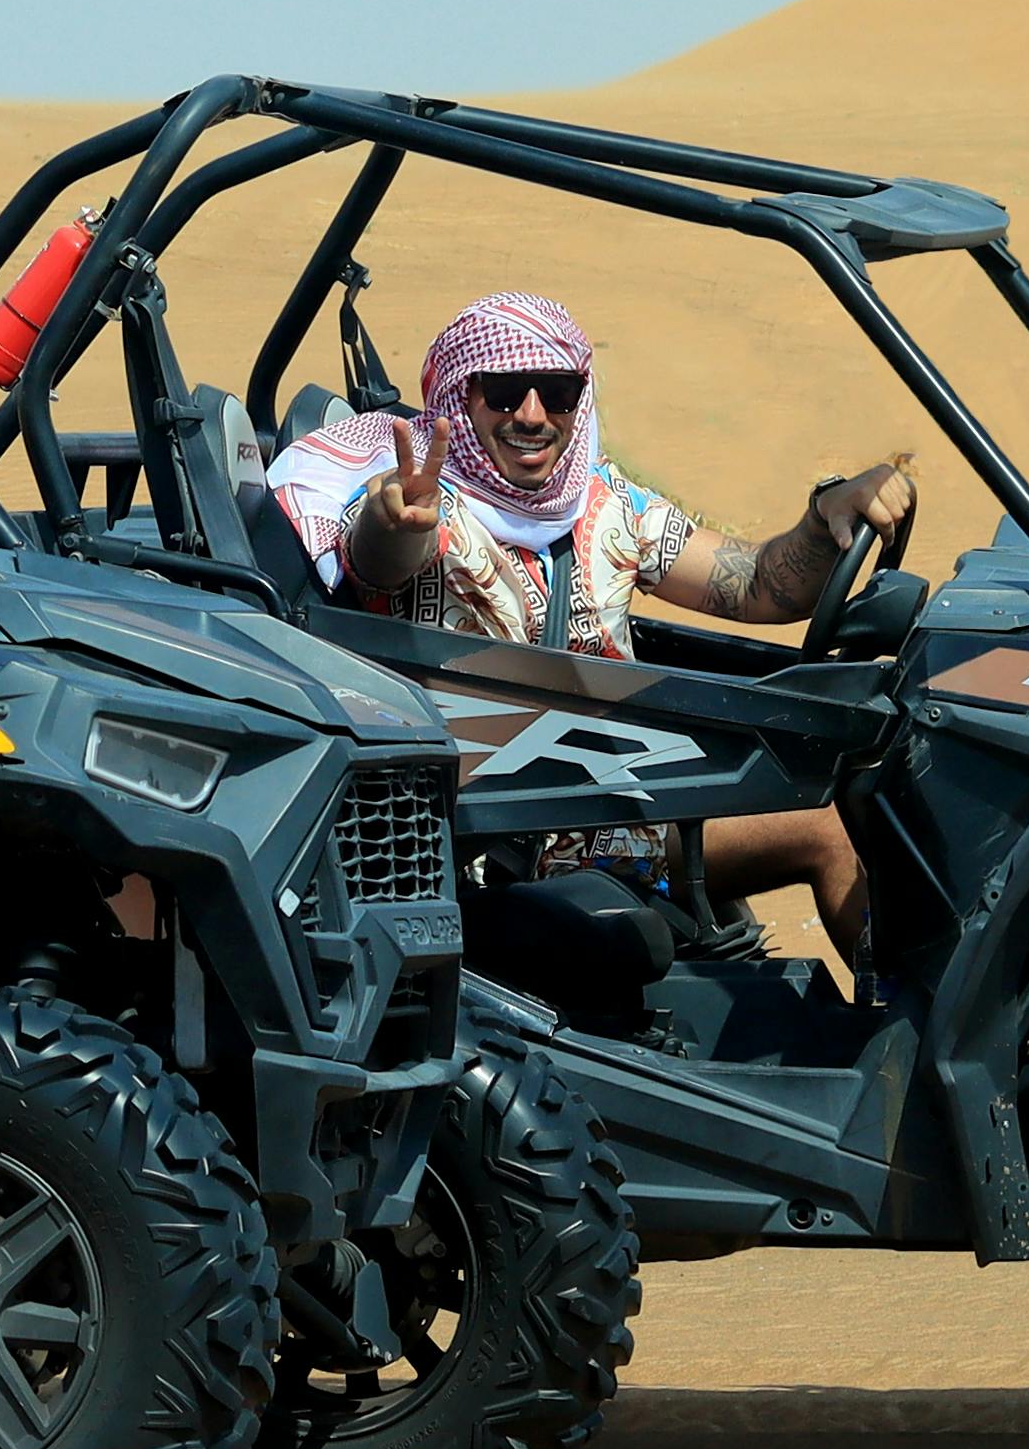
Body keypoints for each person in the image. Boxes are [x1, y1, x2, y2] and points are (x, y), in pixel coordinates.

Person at [262, 291, 912, 976]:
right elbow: (377, 560)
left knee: (861, 790)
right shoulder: (427, 500)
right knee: (823, 829)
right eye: (506, 392)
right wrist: (393, 526)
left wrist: (823, 517)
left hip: (621, 796)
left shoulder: (601, 502)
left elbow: (754, 587)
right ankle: (905, 1028)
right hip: (502, 831)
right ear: (461, 394)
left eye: (560, 392)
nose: (533, 415)